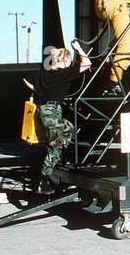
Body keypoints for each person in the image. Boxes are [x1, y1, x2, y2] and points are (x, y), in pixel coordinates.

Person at [25, 39, 91, 188]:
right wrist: (79, 49)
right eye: (69, 59)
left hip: (45, 110)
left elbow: (26, 79)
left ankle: (55, 157)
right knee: (57, 142)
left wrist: (38, 90)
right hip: (52, 111)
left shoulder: (44, 74)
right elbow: (87, 64)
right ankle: (44, 176)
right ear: (64, 59)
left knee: (69, 128)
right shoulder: (66, 73)